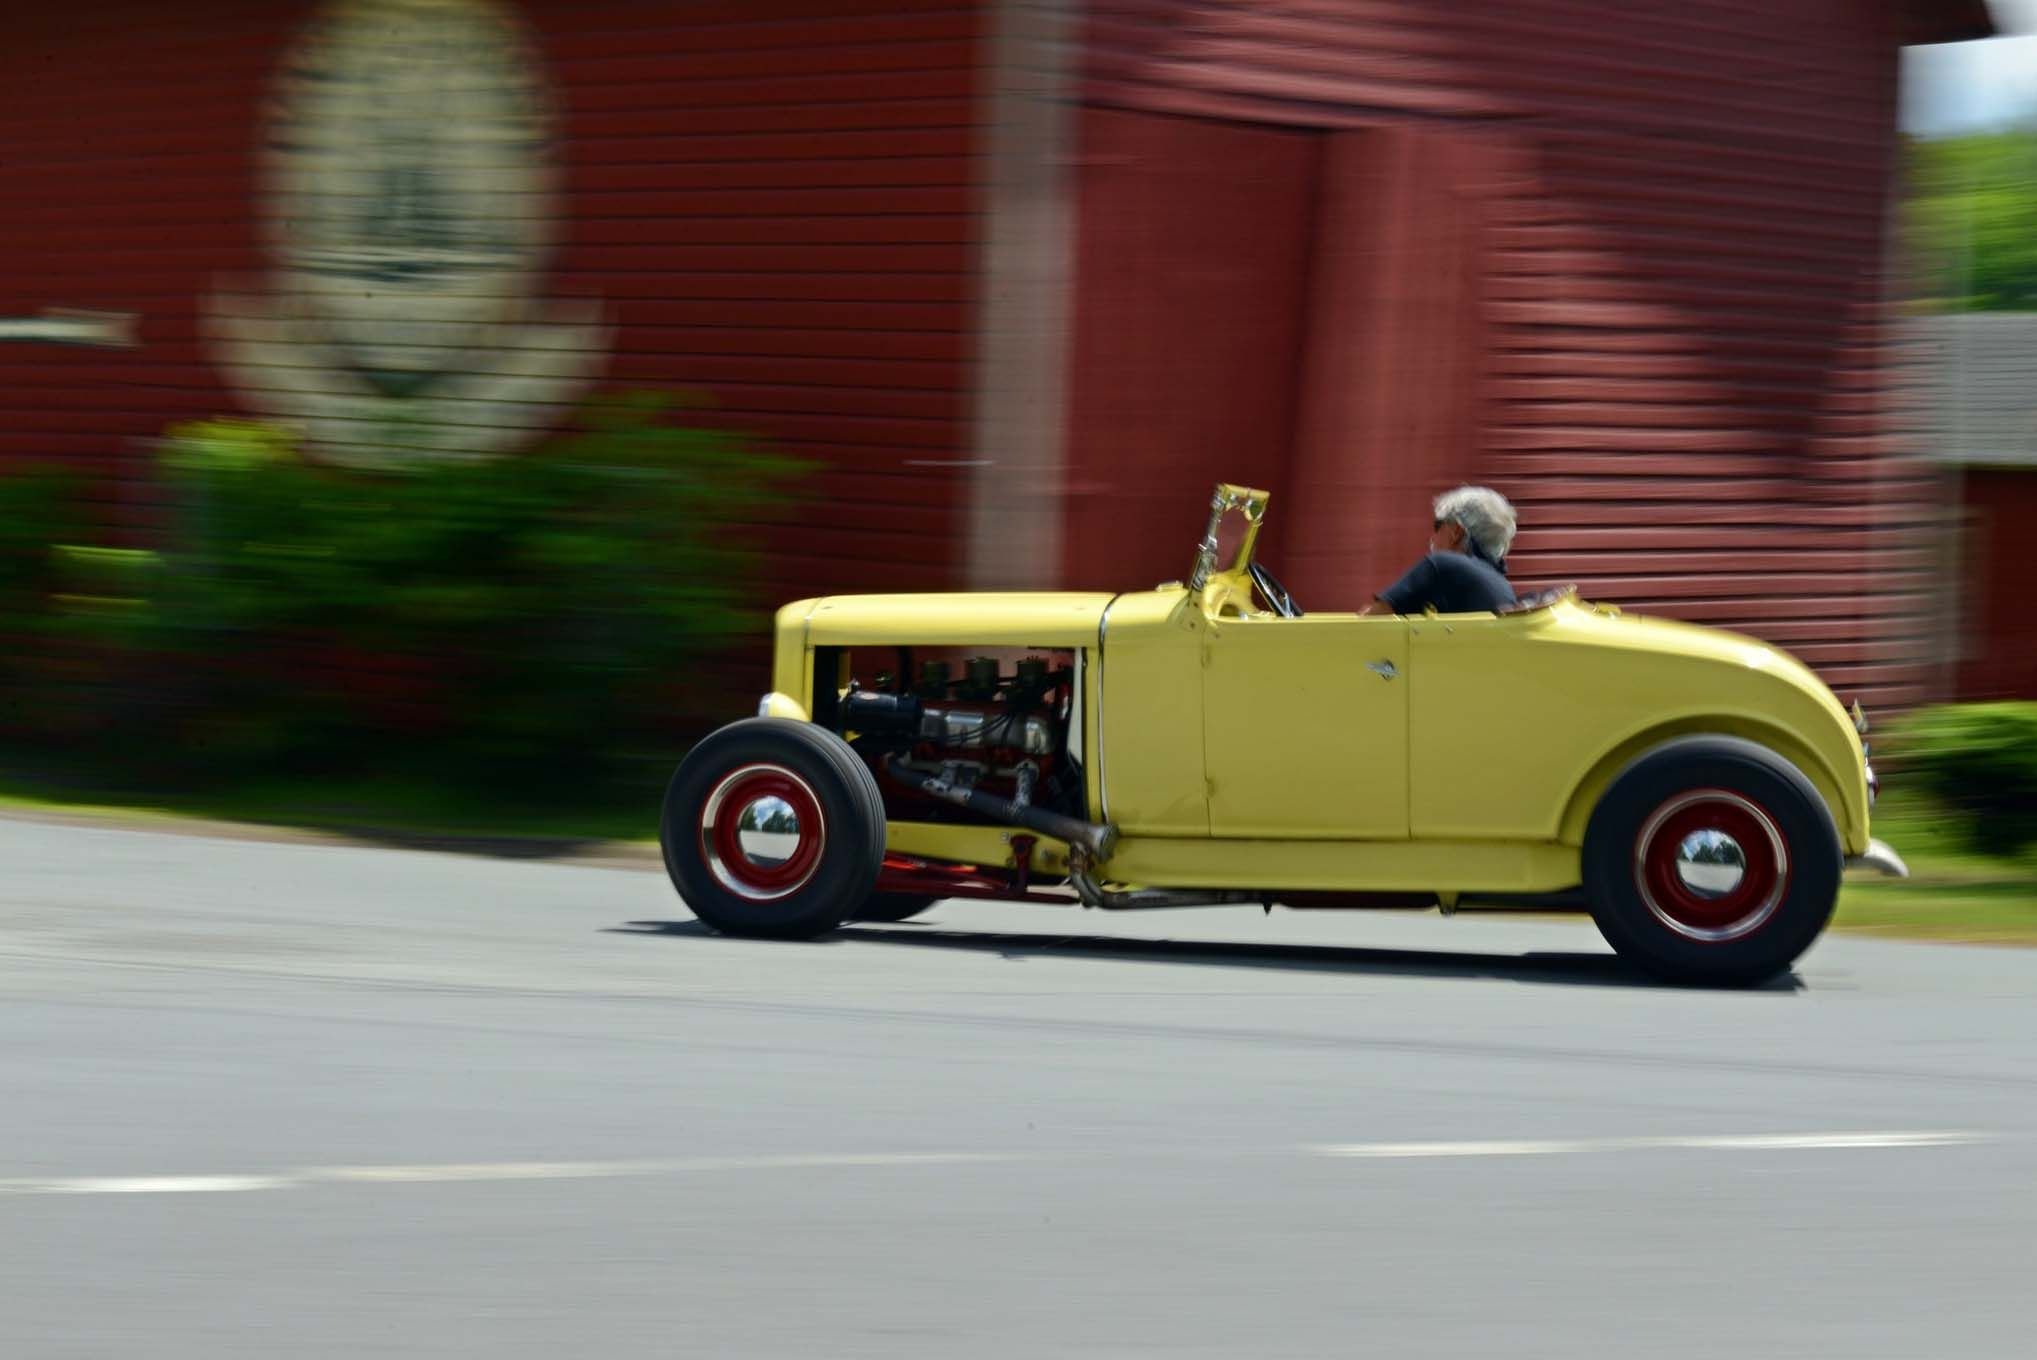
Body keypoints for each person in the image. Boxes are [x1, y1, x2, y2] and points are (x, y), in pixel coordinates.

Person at [1358, 486, 1518, 616]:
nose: (1432, 536)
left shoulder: (1442, 565)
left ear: (1456, 532)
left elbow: (1370, 621)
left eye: (1437, 526)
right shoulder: (1502, 585)